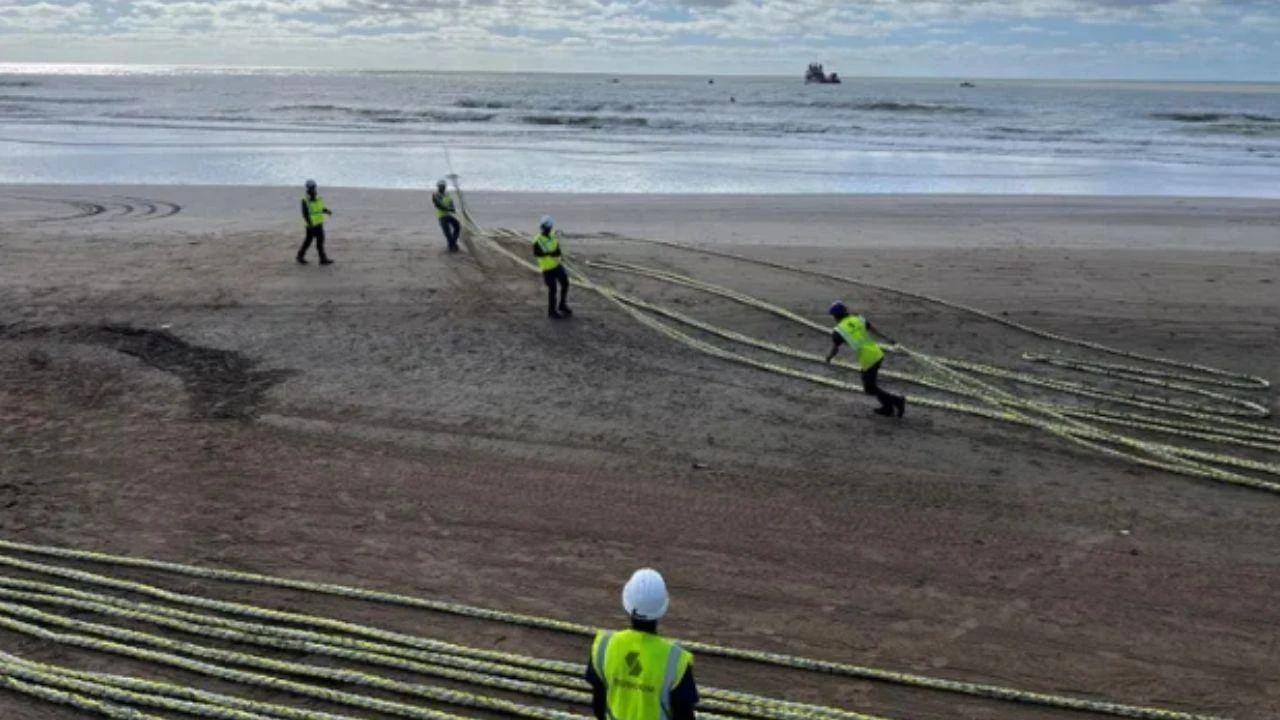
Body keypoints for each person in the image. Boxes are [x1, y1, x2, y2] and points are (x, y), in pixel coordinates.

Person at [586, 569, 699, 720]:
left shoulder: (604, 647)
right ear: (663, 606)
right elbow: (684, 716)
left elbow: (598, 704)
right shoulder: (675, 660)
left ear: (627, 601)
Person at [825, 301, 906, 417]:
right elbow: (874, 330)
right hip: (877, 353)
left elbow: (835, 349)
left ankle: (897, 401)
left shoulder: (838, 331)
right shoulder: (858, 319)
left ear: (835, 316)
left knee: (869, 388)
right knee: (871, 385)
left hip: (868, 359)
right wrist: (888, 339)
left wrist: (829, 358)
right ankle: (888, 408)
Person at [533, 215, 572, 319]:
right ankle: (551, 311)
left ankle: (562, 305)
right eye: (547, 226)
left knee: (565, 283)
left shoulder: (552, 236)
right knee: (553, 288)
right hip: (547, 268)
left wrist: (553, 253)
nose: (549, 228)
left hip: (556, 265)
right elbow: (537, 254)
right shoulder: (537, 240)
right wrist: (551, 253)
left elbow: (558, 250)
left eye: (549, 226)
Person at [297, 179, 333, 265]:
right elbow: (305, 214)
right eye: (311, 187)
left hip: (319, 223)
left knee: (320, 241)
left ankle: (322, 259)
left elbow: (320, 208)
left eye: (313, 187)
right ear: (308, 188)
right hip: (311, 225)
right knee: (308, 241)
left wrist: (326, 211)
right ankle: (300, 256)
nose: (313, 189)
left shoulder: (318, 197)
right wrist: (310, 224)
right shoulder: (305, 200)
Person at [432, 179, 461, 252]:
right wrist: (449, 209)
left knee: (457, 226)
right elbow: (439, 205)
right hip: (442, 216)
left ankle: (452, 244)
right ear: (438, 187)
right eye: (441, 186)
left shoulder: (447, 194)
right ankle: (452, 246)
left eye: (443, 186)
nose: (442, 188)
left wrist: (452, 208)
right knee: (447, 232)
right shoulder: (435, 195)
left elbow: (451, 202)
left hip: (448, 215)